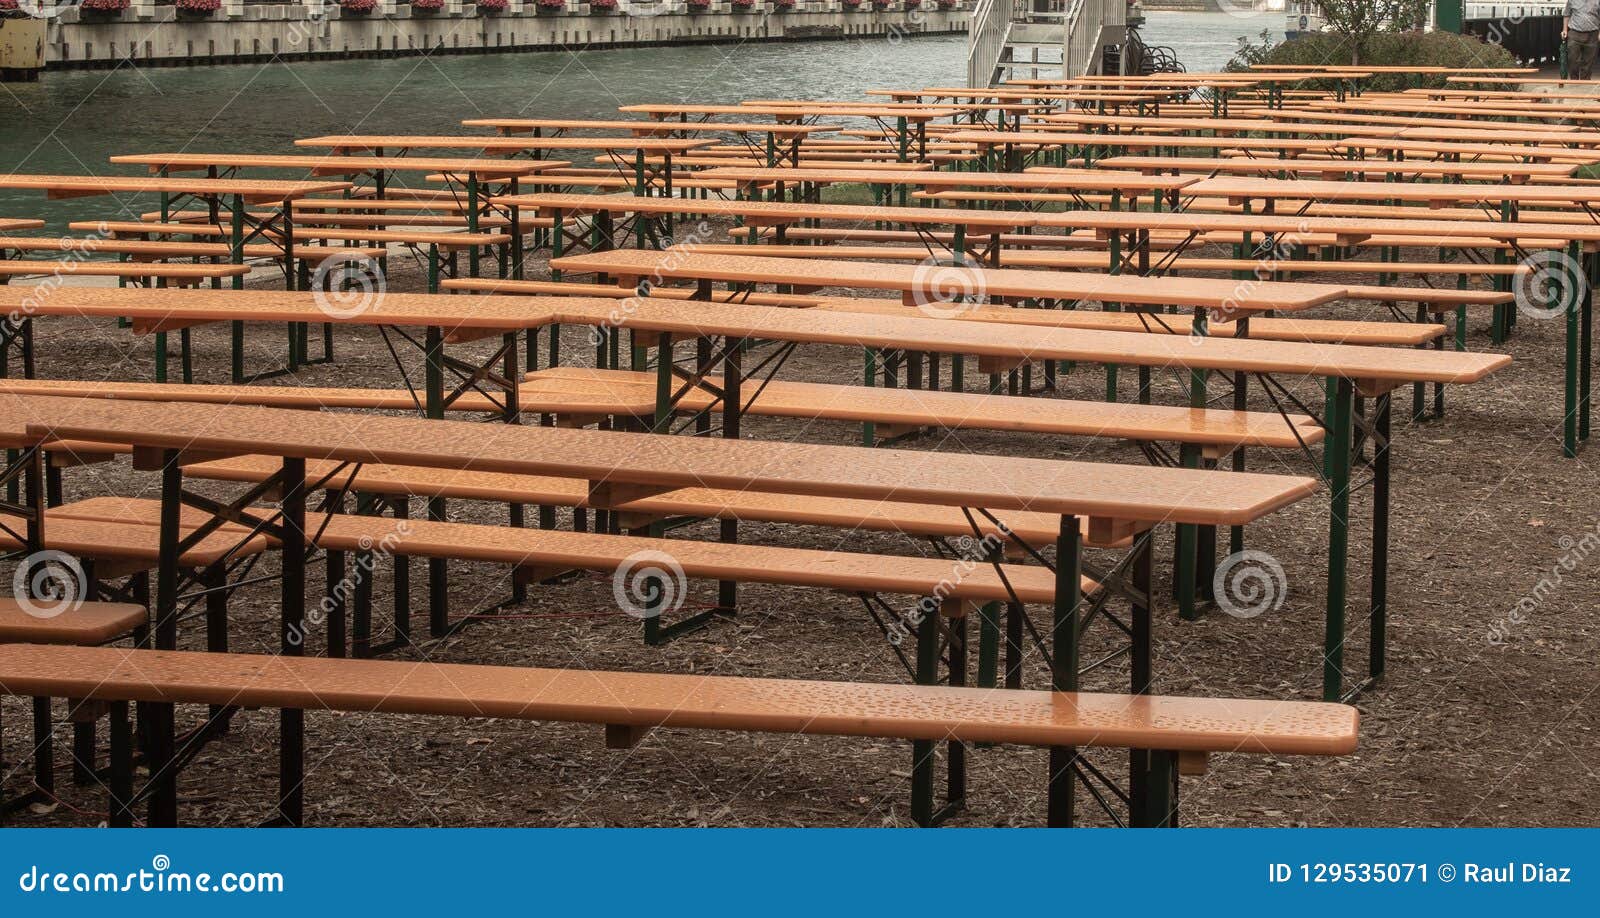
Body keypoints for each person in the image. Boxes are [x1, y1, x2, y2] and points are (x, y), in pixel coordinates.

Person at [1566, 0, 1600, 80]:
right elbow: (1566, 15)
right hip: (1574, 32)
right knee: (1572, 58)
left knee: (1589, 60)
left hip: (1592, 33)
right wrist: (1564, 30)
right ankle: (1574, 80)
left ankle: (1585, 81)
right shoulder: (1571, 1)